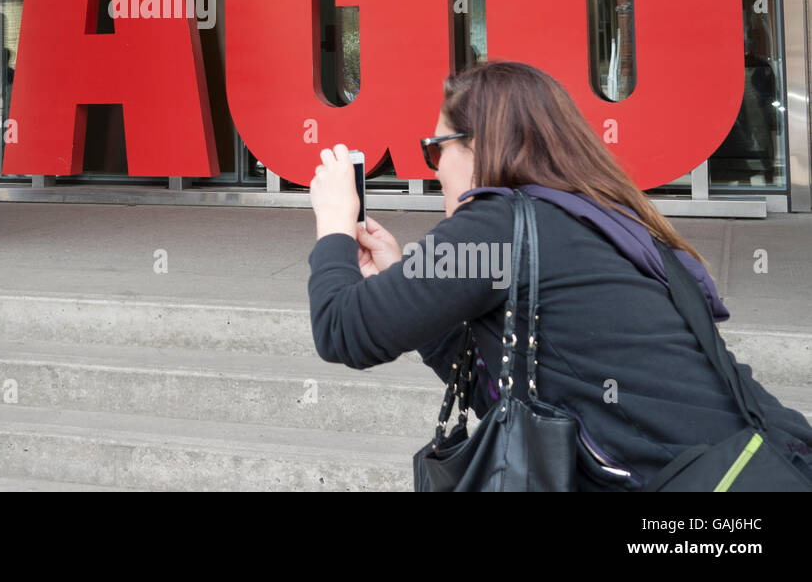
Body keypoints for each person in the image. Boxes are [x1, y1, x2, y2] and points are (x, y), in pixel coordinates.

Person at [307, 60, 812, 491]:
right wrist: (400, 277)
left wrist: (333, 224)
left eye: (437, 148)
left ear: (479, 145)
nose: (434, 168)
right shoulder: (601, 216)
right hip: (762, 463)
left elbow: (342, 330)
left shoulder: (497, 225)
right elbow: (520, 397)